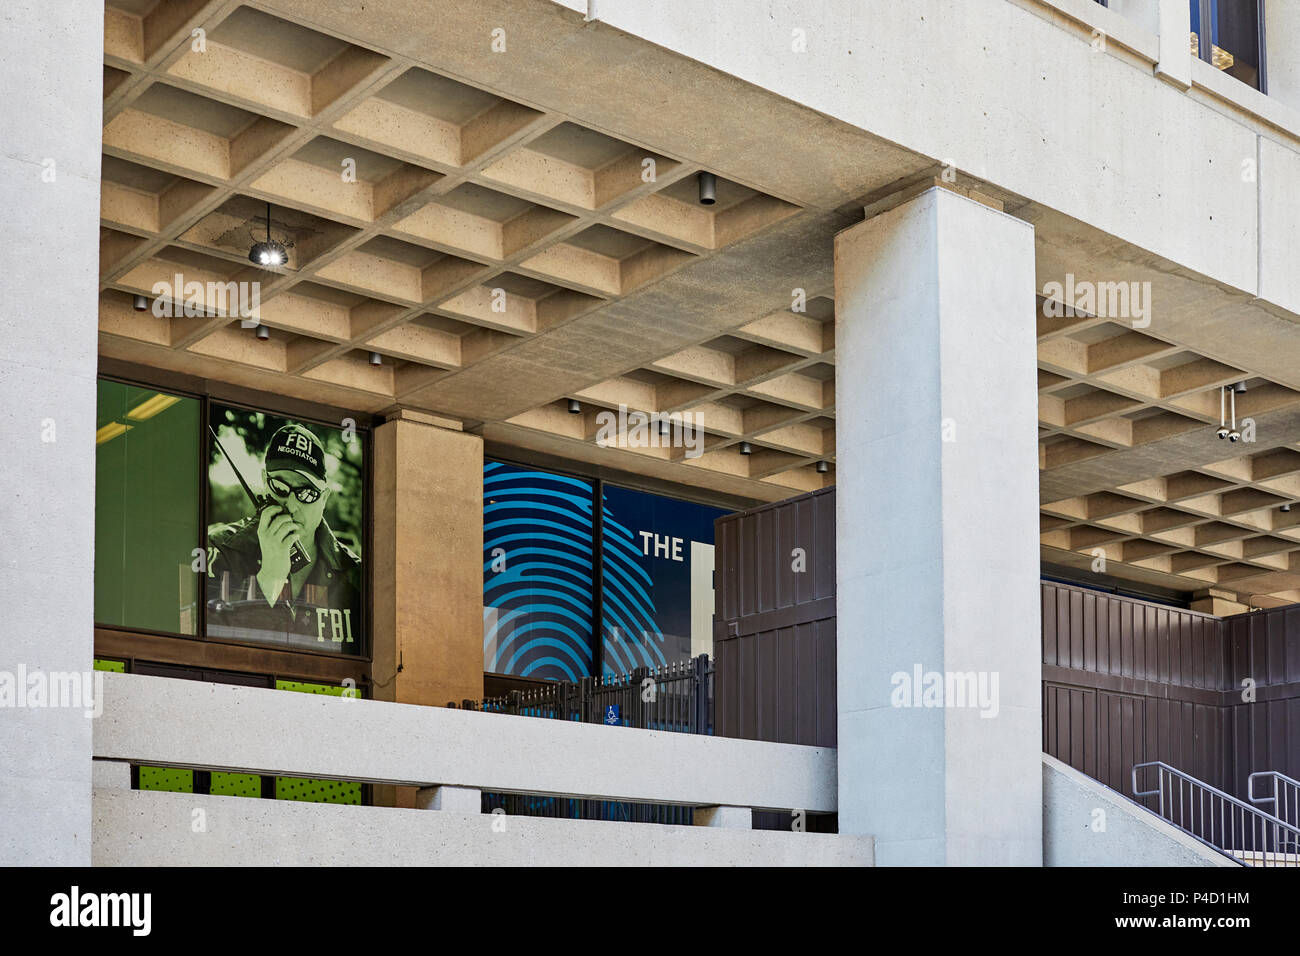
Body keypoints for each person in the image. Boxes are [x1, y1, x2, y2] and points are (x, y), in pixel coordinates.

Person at [206, 423, 361, 648]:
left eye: (306, 493)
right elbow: (203, 653)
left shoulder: (354, 576)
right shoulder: (220, 550)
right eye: (279, 487)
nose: (291, 504)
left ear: (324, 498)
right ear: (264, 481)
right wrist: (269, 578)